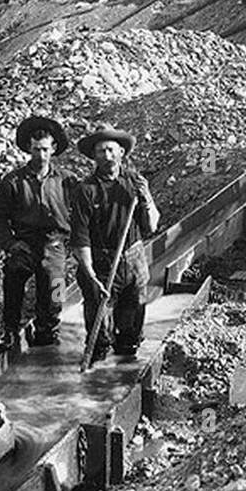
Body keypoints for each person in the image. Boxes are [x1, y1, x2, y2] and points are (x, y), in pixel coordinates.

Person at [69, 126, 162, 362]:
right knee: (99, 323)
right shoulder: (85, 190)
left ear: (121, 152)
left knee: (132, 321)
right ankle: (97, 363)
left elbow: (151, 227)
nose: (107, 156)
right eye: (101, 151)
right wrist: (90, 274)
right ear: (94, 156)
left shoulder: (134, 185)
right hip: (100, 261)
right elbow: (80, 237)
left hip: (133, 258)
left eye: (111, 150)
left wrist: (147, 198)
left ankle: (126, 366)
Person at [0, 116, 79, 351]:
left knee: (56, 284)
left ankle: (49, 327)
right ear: (29, 148)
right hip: (25, 242)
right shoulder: (14, 181)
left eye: (46, 150)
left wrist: (75, 244)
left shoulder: (67, 180)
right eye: (36, 149)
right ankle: (9, 330)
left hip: (56, 242)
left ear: (54, 149)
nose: (41, 155)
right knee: (13, 274)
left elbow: (82, 212)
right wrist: (10, 244)